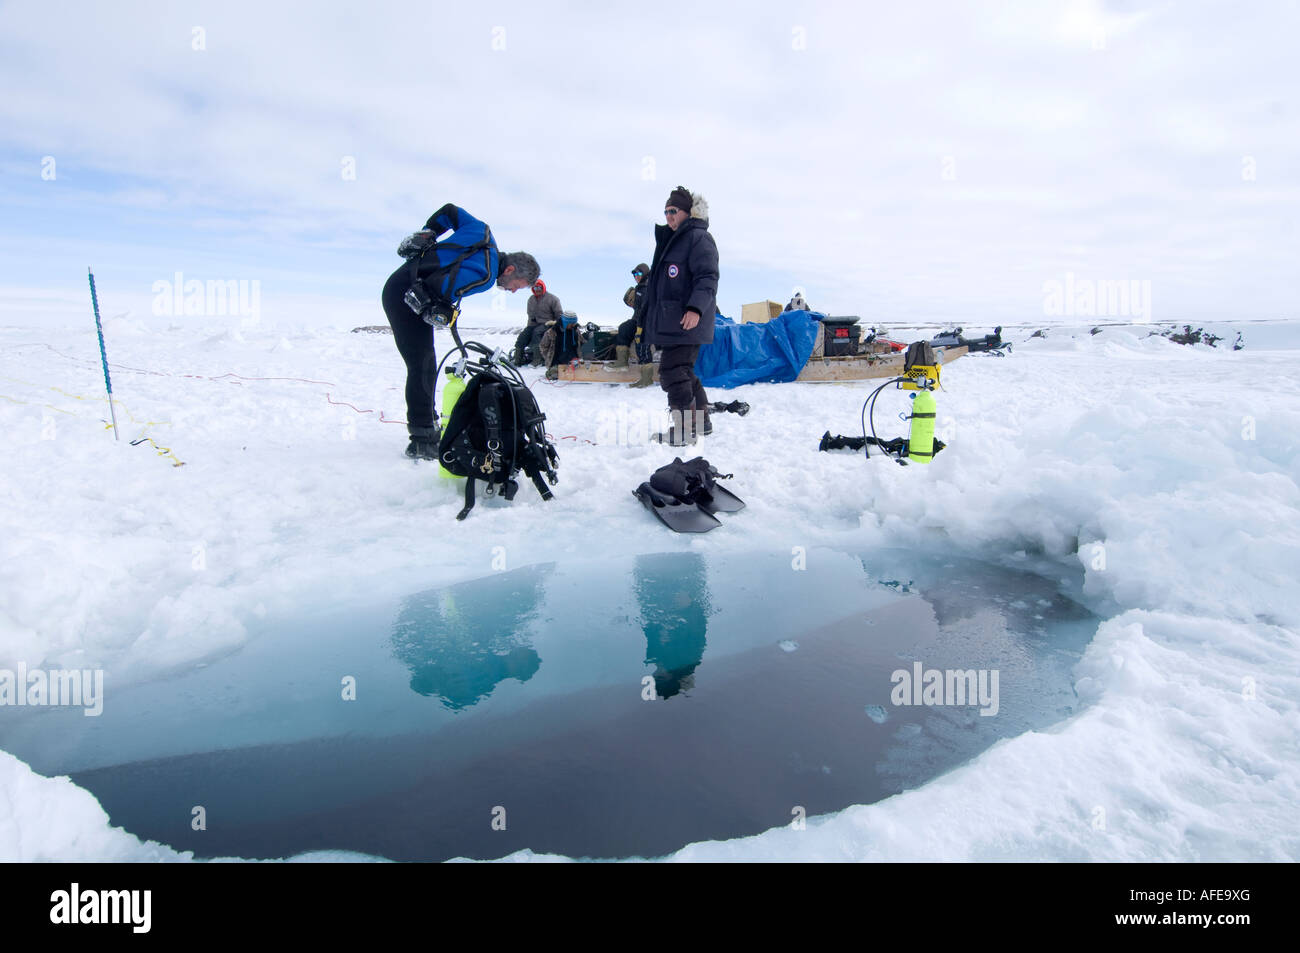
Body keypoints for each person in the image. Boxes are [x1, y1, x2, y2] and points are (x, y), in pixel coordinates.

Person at [381, 204, 539, 459]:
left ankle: (426, 426)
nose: (511, 291)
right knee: (422, 365)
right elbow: (435, 289)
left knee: (425, 362)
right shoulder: (486, 275)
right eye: (516, 287)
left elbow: (450, 212)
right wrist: (440, 312)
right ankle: (422, 439)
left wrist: (429, 232)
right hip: (403, 296)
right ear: (509, 270)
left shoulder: (483, 233)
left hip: (400, 283)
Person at [638, 186, 719, 445]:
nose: (668, 216)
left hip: (687, 320)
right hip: (675, 321)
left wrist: (696, 308)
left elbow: (707, 277)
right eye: (665, 212)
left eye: (673, 211)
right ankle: (701, 422)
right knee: (682, 371)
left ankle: (685, 431)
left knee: (673, 371)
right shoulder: (676, 239)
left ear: (688, 212)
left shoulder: (698, 238)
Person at [512, 279, 562, 367]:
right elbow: (529, 314)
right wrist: (529, 327)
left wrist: (557, 326)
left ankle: (537, 360)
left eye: (539, 287)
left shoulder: (552, 299)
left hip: (548, 324)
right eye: (535, 288)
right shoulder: (531, 299)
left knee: (537, 333)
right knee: (523, 336)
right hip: (533, 325)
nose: (537, 289)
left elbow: (559, 314)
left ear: (543, 287)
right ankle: (517, 360)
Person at [612, 263, 651, 374]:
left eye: (639, 273)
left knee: (641, 342)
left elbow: (647, 310)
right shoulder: (639, 288)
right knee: (624, 328)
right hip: (637, 320)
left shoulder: (649, 288)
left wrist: (640, 326)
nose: (636, 276)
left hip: (646, 322)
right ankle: (622, 362)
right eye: (634, 274)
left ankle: (646, 376)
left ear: (645, 273)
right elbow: (637, 309)